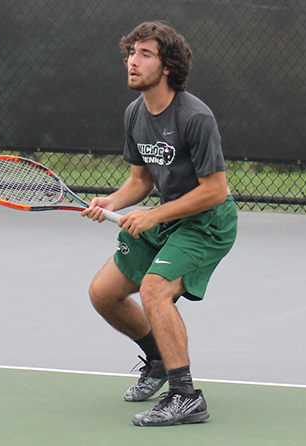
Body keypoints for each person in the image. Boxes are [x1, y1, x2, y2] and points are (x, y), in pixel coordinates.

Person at [81, 21, 237, 426]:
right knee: (104, 293)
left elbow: (215, 191)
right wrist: (111, 202)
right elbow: (140, 180)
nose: (132, 61)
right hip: (169, 218)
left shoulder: (195, 117)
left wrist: (152, 215)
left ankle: (185, 396)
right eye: (131, 53)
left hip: (207, 224)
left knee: (154, 289)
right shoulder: (136, 113)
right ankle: (155, 360)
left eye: (144, 54)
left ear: (167, 66)